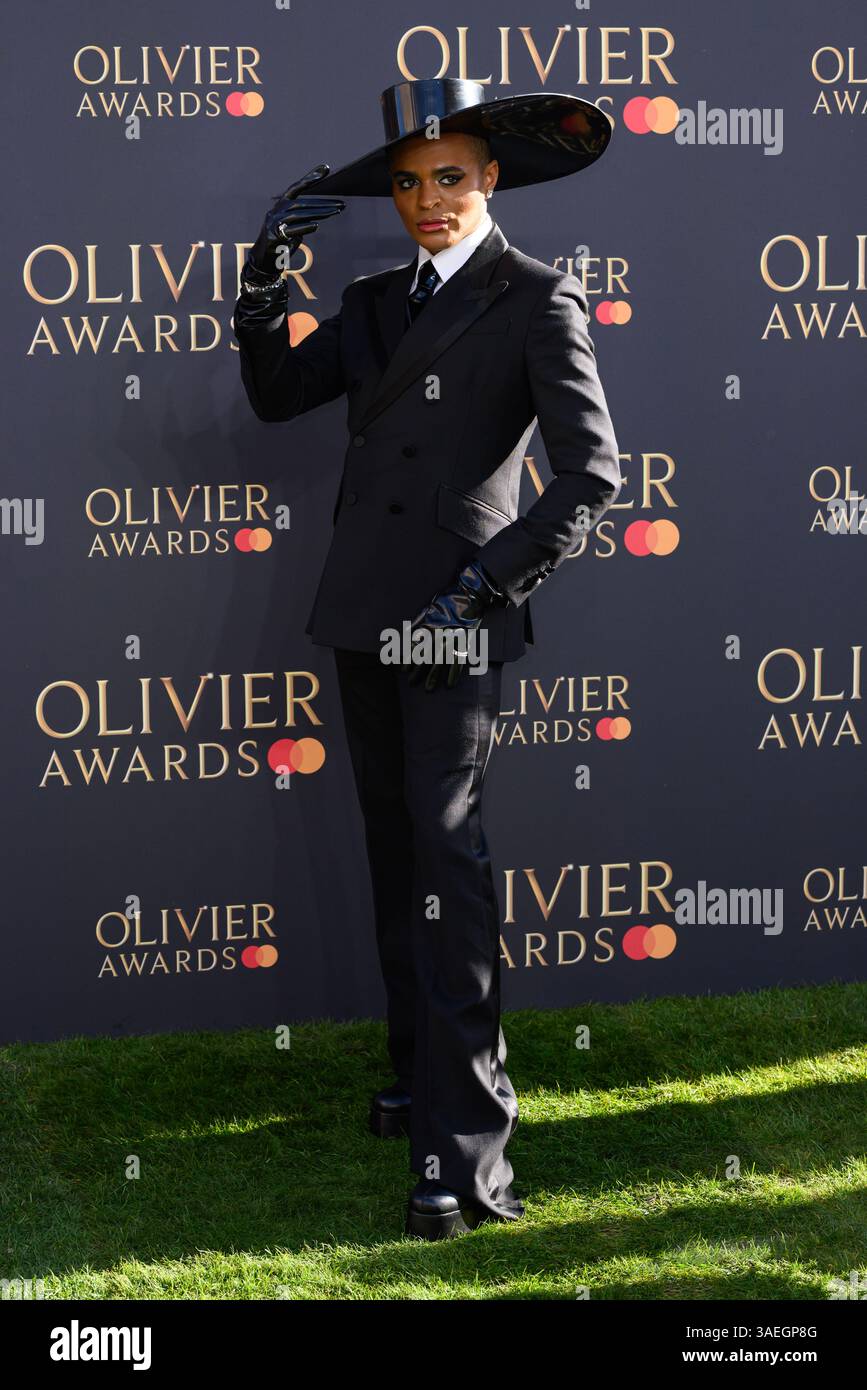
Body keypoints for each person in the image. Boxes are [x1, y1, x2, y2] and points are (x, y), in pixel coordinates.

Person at [233, 77, 622, 1239]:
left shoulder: (539, 298)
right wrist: (262, 288)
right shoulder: (368, 301)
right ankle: (416, 1085)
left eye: (449, 176)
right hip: (361, 611)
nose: (427, 200)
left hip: (452, 619)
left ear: (492, 177)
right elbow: (274, 396)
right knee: (397, 858)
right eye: (406, 183)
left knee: (452, 880)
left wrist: (485, 585)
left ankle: (468, 1159)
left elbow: (591, 479)